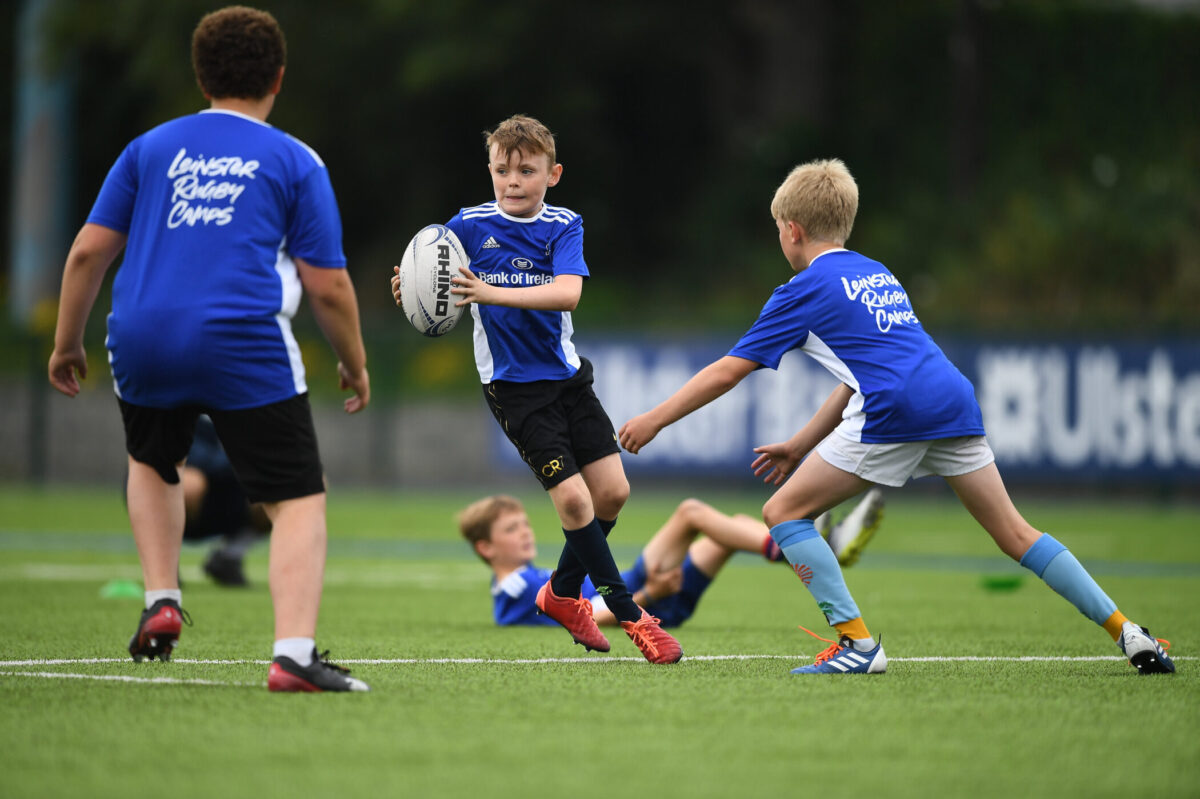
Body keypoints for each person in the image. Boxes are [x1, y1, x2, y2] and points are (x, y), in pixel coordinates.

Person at [618, 158, 1175, 676]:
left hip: (897, 408)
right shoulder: (875, 272)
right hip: (953, 399)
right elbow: (853, 373)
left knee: (783, 511)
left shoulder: (799, 290)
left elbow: (727, 371)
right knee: (1016, 533)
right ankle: (1128, 631)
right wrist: (800, 443)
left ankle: (859, 646)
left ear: (791, 229)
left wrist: (656, 419)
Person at [48, 6, 371, 692]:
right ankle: (292, 654)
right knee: (297, 498)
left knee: (152, 459)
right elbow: (330, 286)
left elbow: (86, 254)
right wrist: (354, 360)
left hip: (141, 334)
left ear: (201, 77)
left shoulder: (149, 148)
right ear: (278, 77)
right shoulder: (294, 158)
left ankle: (161, 598)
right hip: (239, 337)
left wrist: (66, 342)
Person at [391, 115, 681, 664]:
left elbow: (568, 293)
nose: (512, 180)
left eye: (527, 170)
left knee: (613, 494)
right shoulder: (469, 225)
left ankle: (561, 593)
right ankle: (630, 613)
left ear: (553, 174)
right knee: (573, 499)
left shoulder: (564, 225)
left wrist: (490, 290)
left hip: (569, 378)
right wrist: (412, 284)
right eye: (502, 170)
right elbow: (434, 267)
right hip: (513, 388)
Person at [458, 489, 884, 629]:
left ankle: (818, 546)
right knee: (692, 513)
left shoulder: (522, 580)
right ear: (486, 549)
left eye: (524, 524)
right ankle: (821, 545)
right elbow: (581, 614)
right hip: (642, 595)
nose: (526, 532)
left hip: (646, 591)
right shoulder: (515, 589)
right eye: (511, 530)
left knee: (729, 527)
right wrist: (645, 595)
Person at [181, 416, 270, 587]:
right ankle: (165, 565)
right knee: (190, 483)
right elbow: (192, 457)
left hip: (231, 495)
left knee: (293, 485)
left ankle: (229, 557)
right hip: (170, 492)